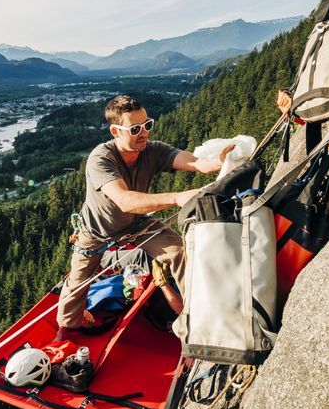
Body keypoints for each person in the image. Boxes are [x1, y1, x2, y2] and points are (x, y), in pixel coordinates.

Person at [56, 95, 232, 337]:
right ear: (115, 131)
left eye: (147, 124)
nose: (144, 133)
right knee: (77, 284)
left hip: (135, 224)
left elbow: (196, 163)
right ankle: (68, 329)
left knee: (179, 252)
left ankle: (197, 314)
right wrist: (176, 197)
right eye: (135, 128)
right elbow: (125, 200)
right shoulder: (101, 159)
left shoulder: (153, 150)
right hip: (96, 230)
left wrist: (219, 161)